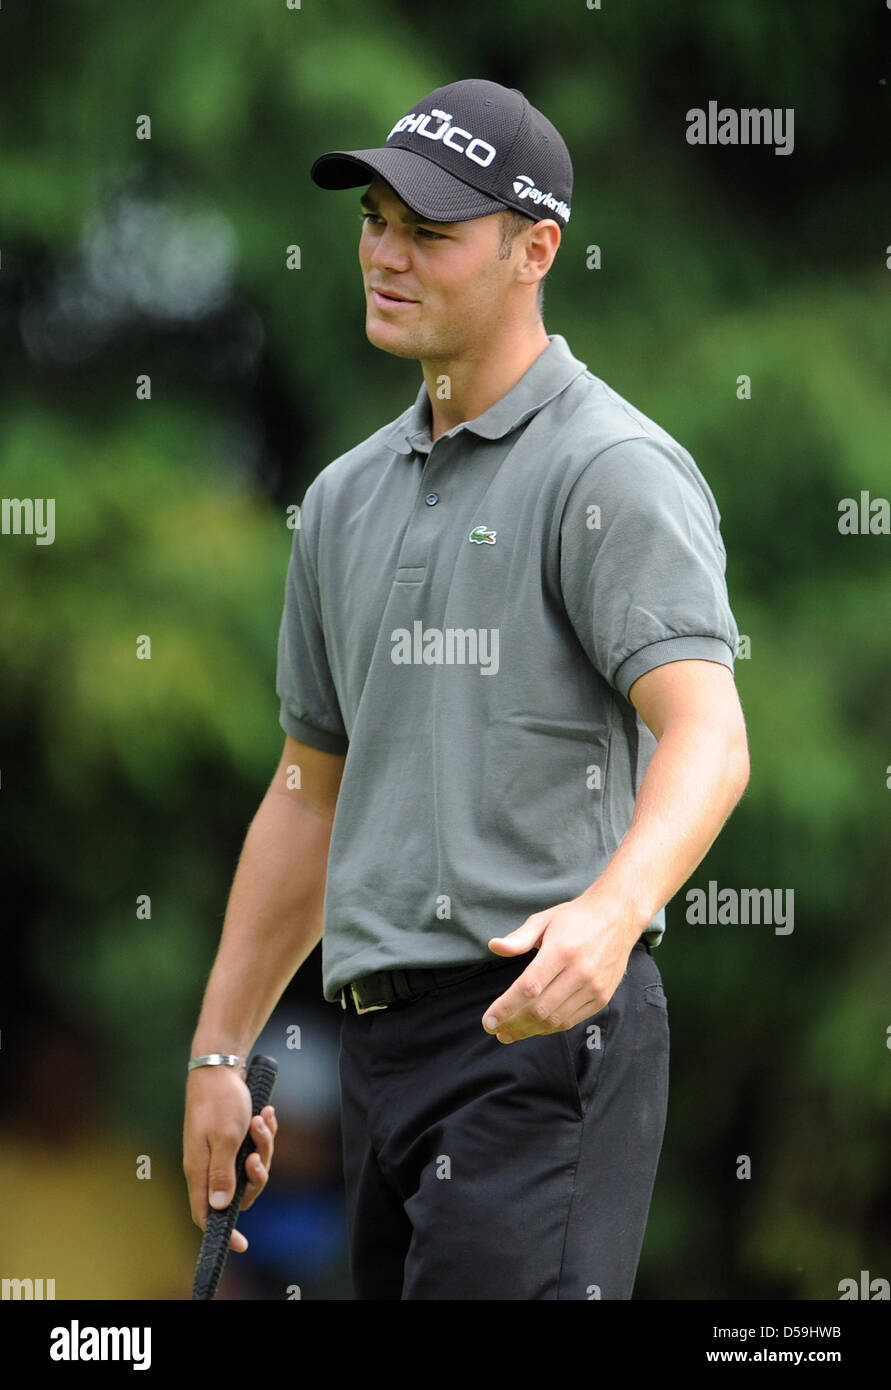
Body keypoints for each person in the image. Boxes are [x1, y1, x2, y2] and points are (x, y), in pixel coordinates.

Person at [182, 78, 750, 1300]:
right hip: (380, 1053)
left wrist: (614, 909)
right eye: (376, 220)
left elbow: (708, 733)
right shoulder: (339, 499)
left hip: (542, 1033)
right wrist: (221, 1050)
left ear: (534, 249)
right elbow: (306, 794)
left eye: (429, 232)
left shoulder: (614, 467)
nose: (385, 254)